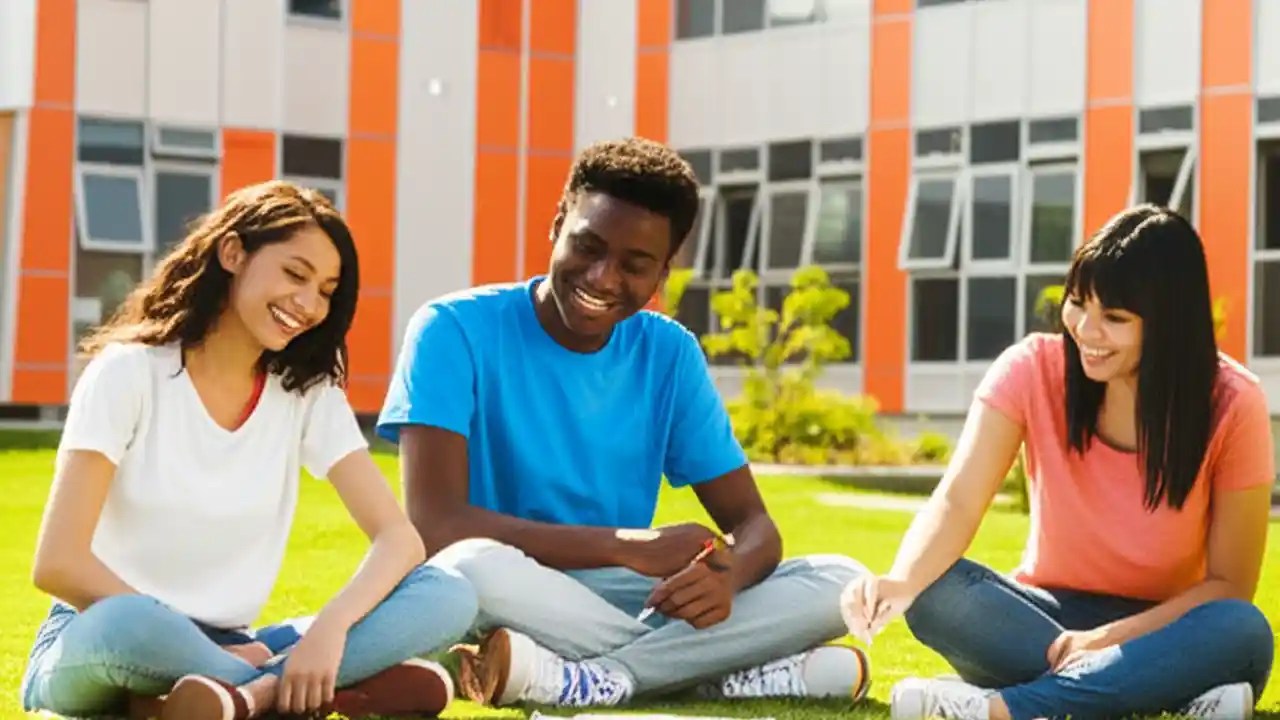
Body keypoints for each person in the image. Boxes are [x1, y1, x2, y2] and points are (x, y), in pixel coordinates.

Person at [375, 137, 870, 710]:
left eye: (634, 265)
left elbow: (756, 527)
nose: (603, 278)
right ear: (557, 225)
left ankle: (599, 676)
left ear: (662, 272)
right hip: (508, 590)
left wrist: (726, 581)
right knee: (468, 567)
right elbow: (435, 525)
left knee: (843, 580)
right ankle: (715, 669)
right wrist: (628, 546)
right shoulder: (451, 328)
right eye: (587, 246)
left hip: (620, 599)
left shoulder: (668, 353)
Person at [20, 181, 477, 720]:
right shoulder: (128, 373)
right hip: (100, 632)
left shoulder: (305, 395)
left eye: (327, 290)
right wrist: (209, 648)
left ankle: (228, 701)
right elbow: (58, 563)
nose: (308, 305)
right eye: (294, 274)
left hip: (237, 641)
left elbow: (399, 540)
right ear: (233, 253)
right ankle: (312, 693)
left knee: (449, 593)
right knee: (130, 624)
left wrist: (329, 631)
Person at [841, 204, 1275, 720]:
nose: (1086, 330)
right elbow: (957, 500)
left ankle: (1001, 710)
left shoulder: (1232, 402)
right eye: (1078, 304)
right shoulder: (1030, 369)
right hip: (1043, 617)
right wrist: (901, 580)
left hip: (1168, 626)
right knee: (934, 591)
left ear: (1168, 324)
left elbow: (1230, 585)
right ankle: (1172, 694)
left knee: (1241, 629)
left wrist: (1109, 639)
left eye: (1114, 318)